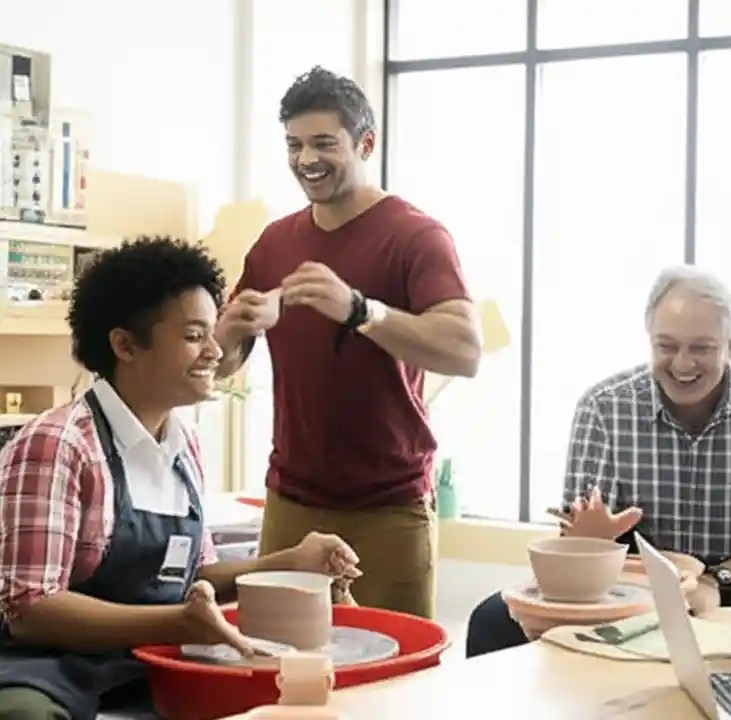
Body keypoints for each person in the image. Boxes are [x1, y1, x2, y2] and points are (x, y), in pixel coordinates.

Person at [0, 237, 359, 720]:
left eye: (213, 333)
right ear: (125, 344)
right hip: (46, 668)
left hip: (150, 660)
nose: (215, 351)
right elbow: (29, 610)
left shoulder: (182, 443)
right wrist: (177, 623)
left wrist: (294, 561)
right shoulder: (59, 444)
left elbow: (193, 577)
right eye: (194, 335)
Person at [465, 266, 731, 657]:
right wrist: (590, 541)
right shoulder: (604, 409)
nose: (682, 364)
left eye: (702, 348)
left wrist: (716, 582)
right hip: (628, 591)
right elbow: (581, 549)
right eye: (667, 346)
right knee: (490, 622)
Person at [214, 67, 481, 620]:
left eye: (323, 143)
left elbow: (464, 350)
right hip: (290, 502)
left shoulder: (416, 236)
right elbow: (220, 366)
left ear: (365, 143)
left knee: (393, 684)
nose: (306, 159)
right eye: (294, 144)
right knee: (275, 664)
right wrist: (235, 327)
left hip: (390, 507)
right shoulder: (273, 242)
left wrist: (362, 311)